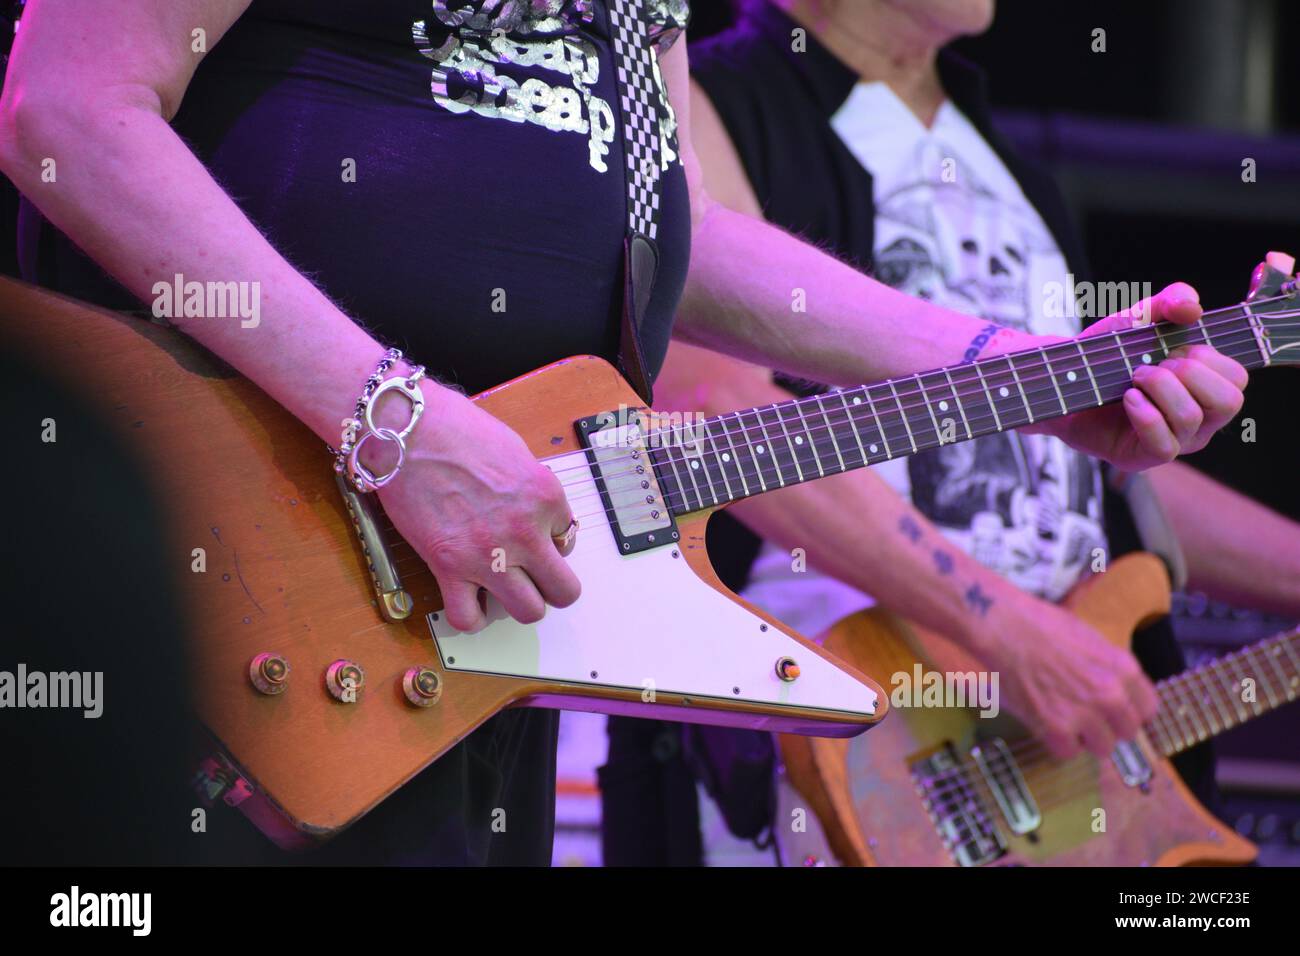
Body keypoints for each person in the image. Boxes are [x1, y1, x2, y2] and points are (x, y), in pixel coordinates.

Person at [0, 0, 1248, 865]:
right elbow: (65, 110)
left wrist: (1011, 370)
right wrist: (385, 414)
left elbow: (676, 231)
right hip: (214, 572)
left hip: (476, 637)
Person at [603, 0, 1300, 864]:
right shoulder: (700, 98)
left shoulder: (1010, 167)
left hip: (1034, 763)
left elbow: (1087, 467)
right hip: (820, 759)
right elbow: (711, 403)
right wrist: (1002, 627)